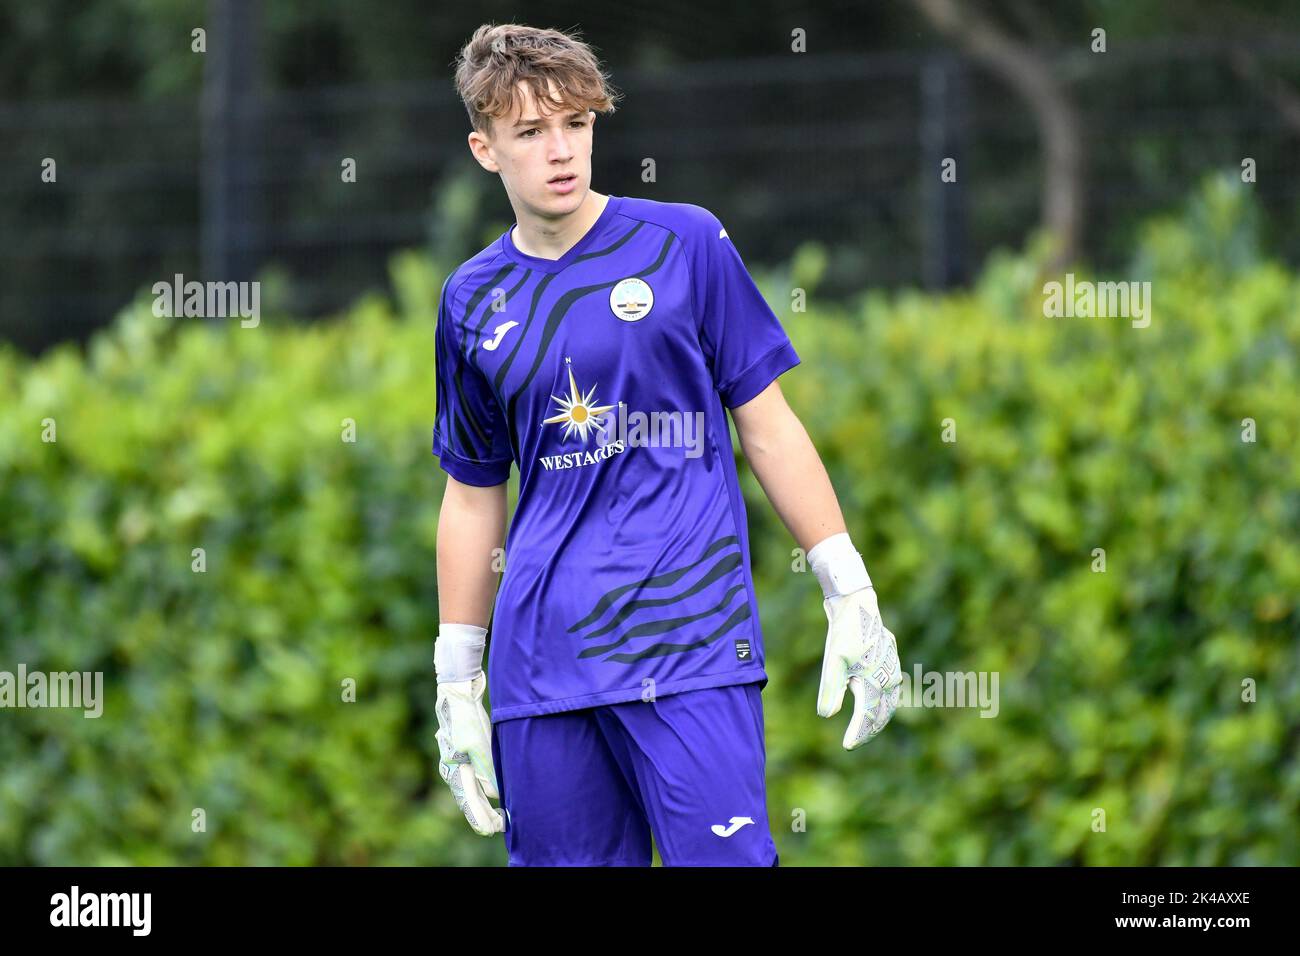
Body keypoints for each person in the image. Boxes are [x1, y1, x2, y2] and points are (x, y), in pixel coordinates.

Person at [432, 22, 902, 867]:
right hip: (541, 670)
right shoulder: (471, 299)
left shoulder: (684, 244)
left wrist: (850, 591)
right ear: (485, 148)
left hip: (692, 647)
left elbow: (769, 424)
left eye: (575, 123)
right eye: (530, 132)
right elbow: (472, 492)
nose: (560, 150)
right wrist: (456, 679)